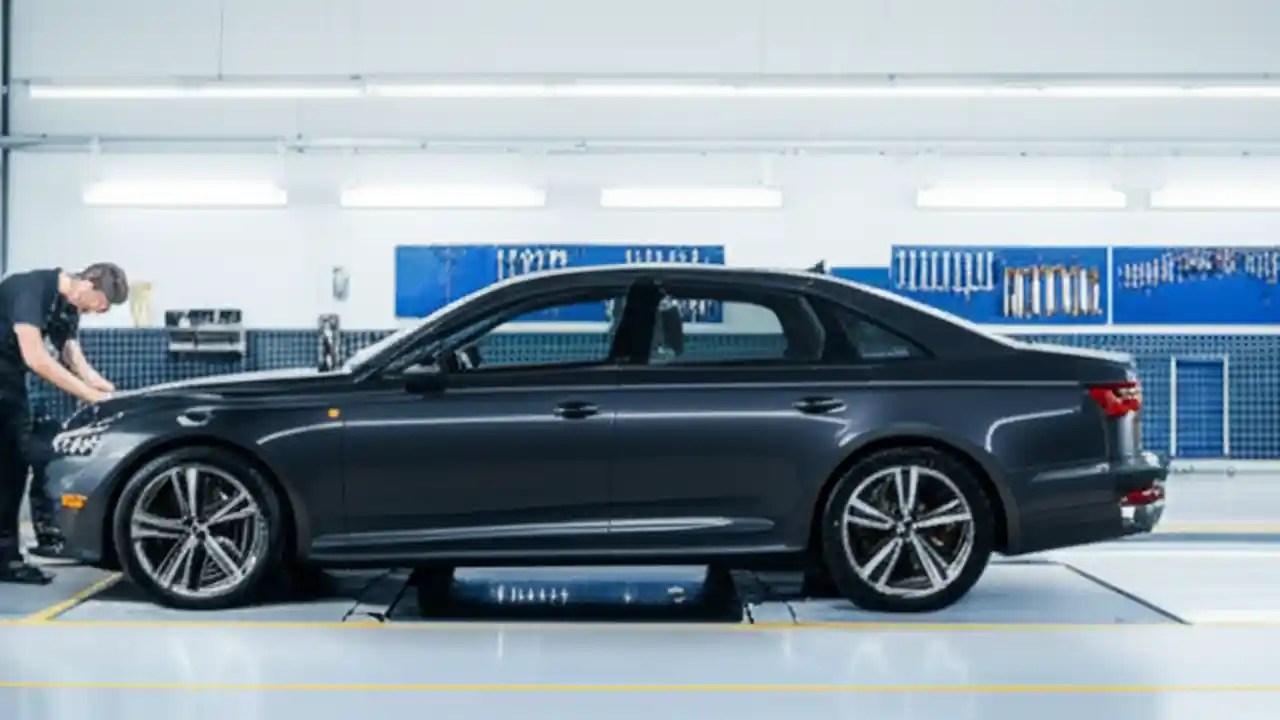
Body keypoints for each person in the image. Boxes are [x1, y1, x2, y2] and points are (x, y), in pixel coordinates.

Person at [0, 263, 128, 584]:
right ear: (87, 284)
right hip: (7, 379)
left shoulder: (67, 306)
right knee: (7, 468)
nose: (98, 313)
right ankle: (7, 558)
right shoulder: (29, 288)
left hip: (9, 383)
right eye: (100, 305)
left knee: (14, 467)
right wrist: (87, 394)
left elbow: (74, 358)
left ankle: (6, 557)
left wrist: (107, 391)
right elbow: (36, 358)